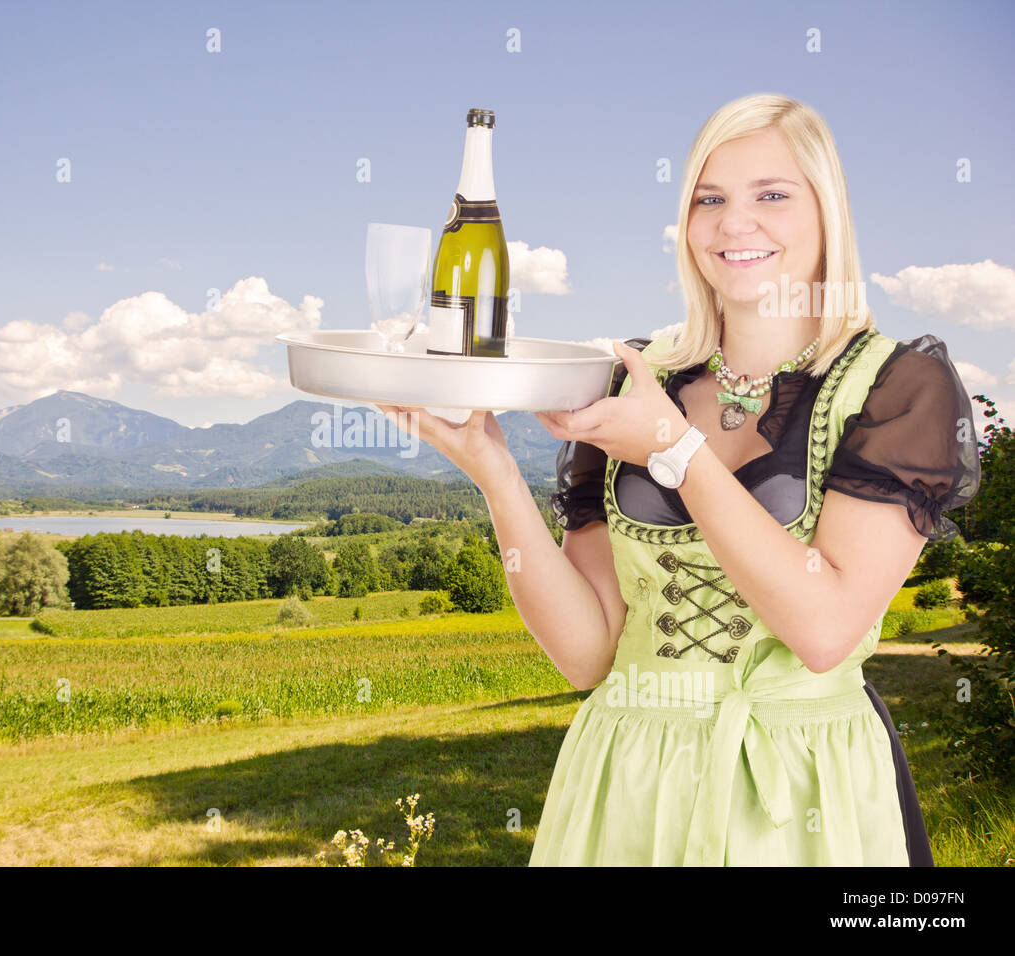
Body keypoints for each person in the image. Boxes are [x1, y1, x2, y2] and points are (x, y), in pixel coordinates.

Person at [375, 93, 981, 865]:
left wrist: (675, 449)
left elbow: (824, 631)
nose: (735, 223)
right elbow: (588, 655)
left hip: (799, 792)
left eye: (772, 195)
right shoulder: (633, 375)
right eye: (710, 198)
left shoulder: (897, 385)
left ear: (828, 213)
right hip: (627, 779)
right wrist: (494, 471)